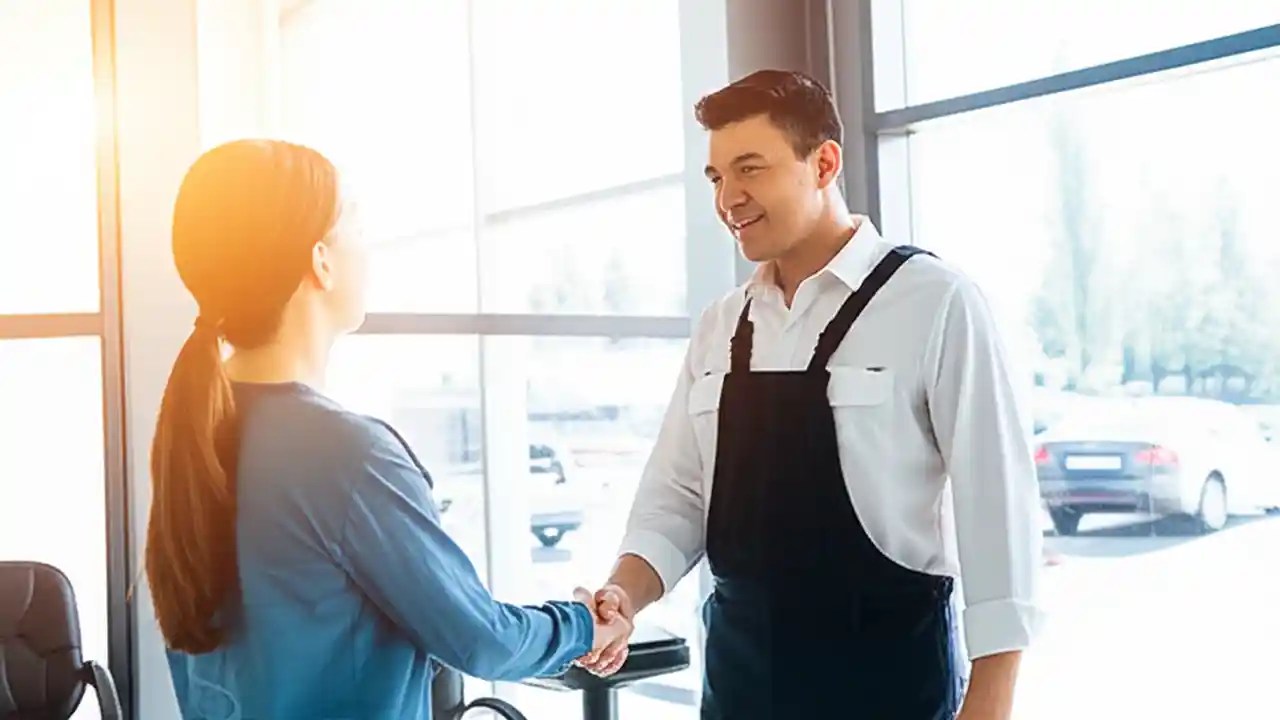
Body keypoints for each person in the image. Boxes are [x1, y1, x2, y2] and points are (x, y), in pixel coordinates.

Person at [575, 70, 1045, 719]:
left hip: (892, 690)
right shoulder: (721, 326)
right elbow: (676, 498)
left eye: (750, 169)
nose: (728, 198)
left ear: (823, 162)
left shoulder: (936, 303)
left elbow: (998, 513)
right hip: (740, 691)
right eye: (716, 177)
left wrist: (989, 703)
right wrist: (623, 595)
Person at [145, 139, 629, 720]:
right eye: (356, 226)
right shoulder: (343, 453)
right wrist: (581, 626)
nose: (368, 251)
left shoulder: (200, 423)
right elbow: (481, 638)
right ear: (320, 260)